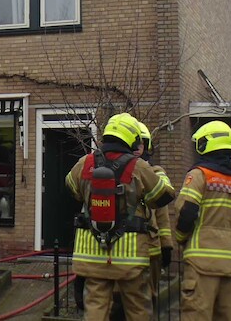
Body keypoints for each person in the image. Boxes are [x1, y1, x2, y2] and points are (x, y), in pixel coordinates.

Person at [66, 113, 175, 321]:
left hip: (91, 254)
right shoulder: (139, 167)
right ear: (131, 138)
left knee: (95, 306)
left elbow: (71, 188)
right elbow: (162, 196)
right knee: (138, 308)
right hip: (129, 256)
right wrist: (159, 175)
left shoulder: (85, 162)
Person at [173, 121, 231, 321]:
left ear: (205, 144)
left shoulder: (199, 175)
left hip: (200, 262)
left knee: (196, 315)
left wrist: (181, 237)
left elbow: (186, 212)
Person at [135, 120, 175, 298]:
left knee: (148, 295)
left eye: (140, 144)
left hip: (150, 247)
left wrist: (166, 245)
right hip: (126, 248)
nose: (137, 148)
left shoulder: (156, 172)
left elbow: (162, 215)